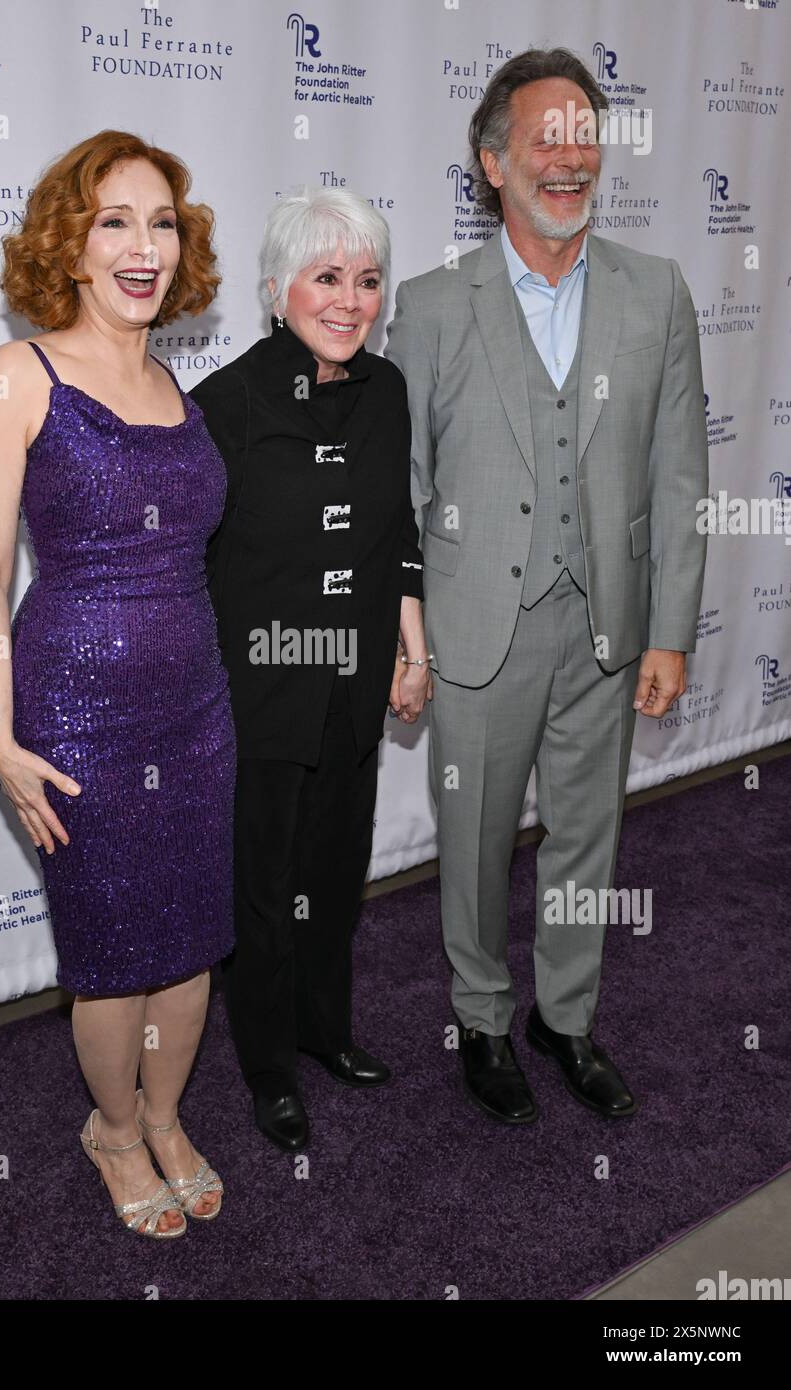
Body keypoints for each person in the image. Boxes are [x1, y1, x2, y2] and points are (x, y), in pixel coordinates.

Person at [385, 48, 708, 1123]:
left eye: (584, 139)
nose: (568, 162)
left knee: (588, 831)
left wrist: (669, 631)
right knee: (473, 839)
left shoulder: (655, 291)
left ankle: (564, 1017)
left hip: (607, 627)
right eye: (544, 141)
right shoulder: (432, 306)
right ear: (492, 162)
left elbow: (678, 476)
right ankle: (481, 1016)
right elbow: (407, 485)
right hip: (478, 625)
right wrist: (409, 631)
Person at [0, 130, 233, 1236]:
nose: (143, 245)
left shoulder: (174, 377)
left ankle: (164, 1115)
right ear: (69, 246)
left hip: (198, 707)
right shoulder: (20, 374)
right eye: (114, 221)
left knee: (192, 936)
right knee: (115, 952)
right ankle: (110, 1131)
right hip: (76, 714)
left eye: (161, 221)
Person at [190, 187, 429, 1151]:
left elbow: (395, 530)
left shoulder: (388, 392)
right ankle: (267, 1066)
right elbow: (193, 568)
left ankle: (327, 1031)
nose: (349, 300)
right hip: (259, 691)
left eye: (366, 280)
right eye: (326, 277)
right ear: (277, 287)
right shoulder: (223, 404)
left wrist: (412, 649)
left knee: (334, 872)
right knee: (263, 884)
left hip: (356, 676)